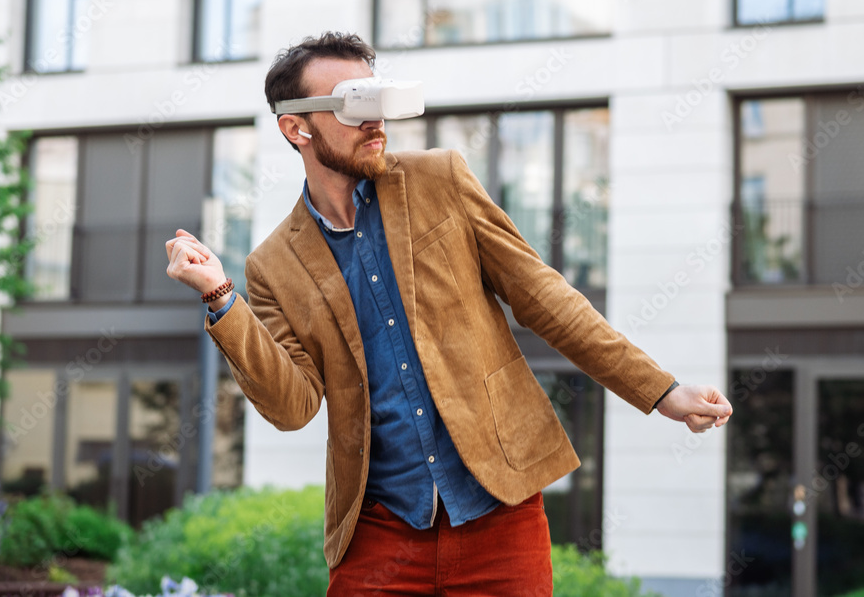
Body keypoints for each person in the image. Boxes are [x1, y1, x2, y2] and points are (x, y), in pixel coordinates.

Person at [165, 31, 732, 596]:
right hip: (379, 531)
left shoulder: (441, 180)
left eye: (378, 102)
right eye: (352, 105)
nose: (375, 121)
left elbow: (544, 296)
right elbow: (293, 407)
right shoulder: (272, 265)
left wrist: (662, 391)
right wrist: (222, 298)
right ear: (297, 127)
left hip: (498, 513)